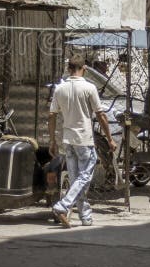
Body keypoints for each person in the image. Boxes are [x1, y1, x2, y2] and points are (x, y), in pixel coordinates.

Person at [48, 54, 116, 228]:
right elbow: (101, 115)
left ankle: (85, 217)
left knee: (76, 180)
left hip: (68, 140)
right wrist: (109, 138)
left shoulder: (59, 89)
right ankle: (63, 205)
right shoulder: (89, 88)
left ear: (68, 69)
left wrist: (52, 141)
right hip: (84, 139)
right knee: (84, 177)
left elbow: (52, 115)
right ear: (84, 69)